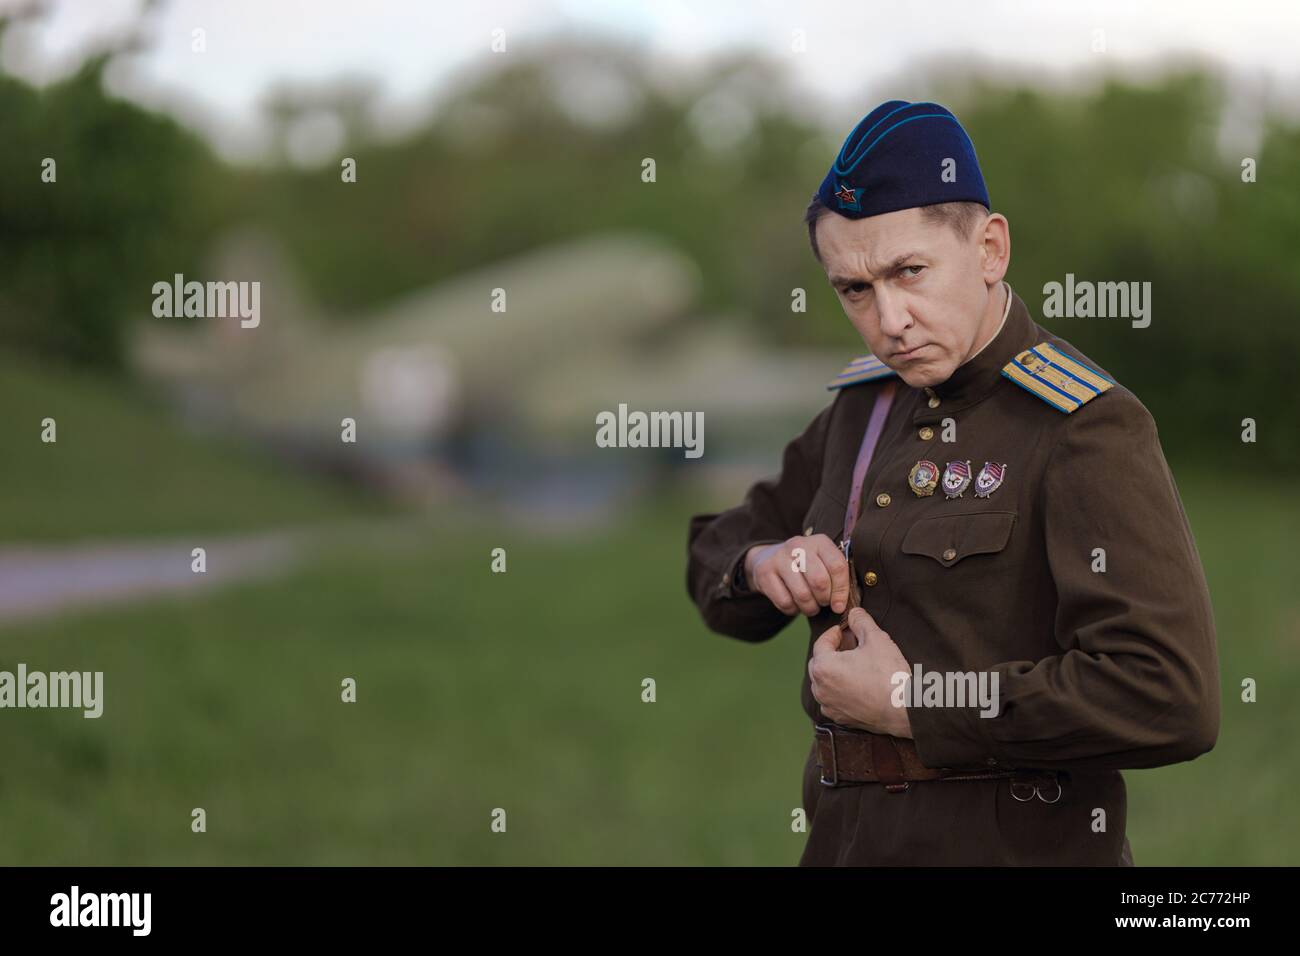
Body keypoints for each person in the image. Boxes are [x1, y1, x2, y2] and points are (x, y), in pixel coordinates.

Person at [685, 99, 1220, 865]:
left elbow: (1169, 697)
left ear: (990, 249)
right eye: (854, 290)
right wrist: (766, 565)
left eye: (909, 272)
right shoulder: (863, 409)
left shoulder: (1083, 425)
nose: (889, 321)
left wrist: (917, 703)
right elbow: (717, 550)